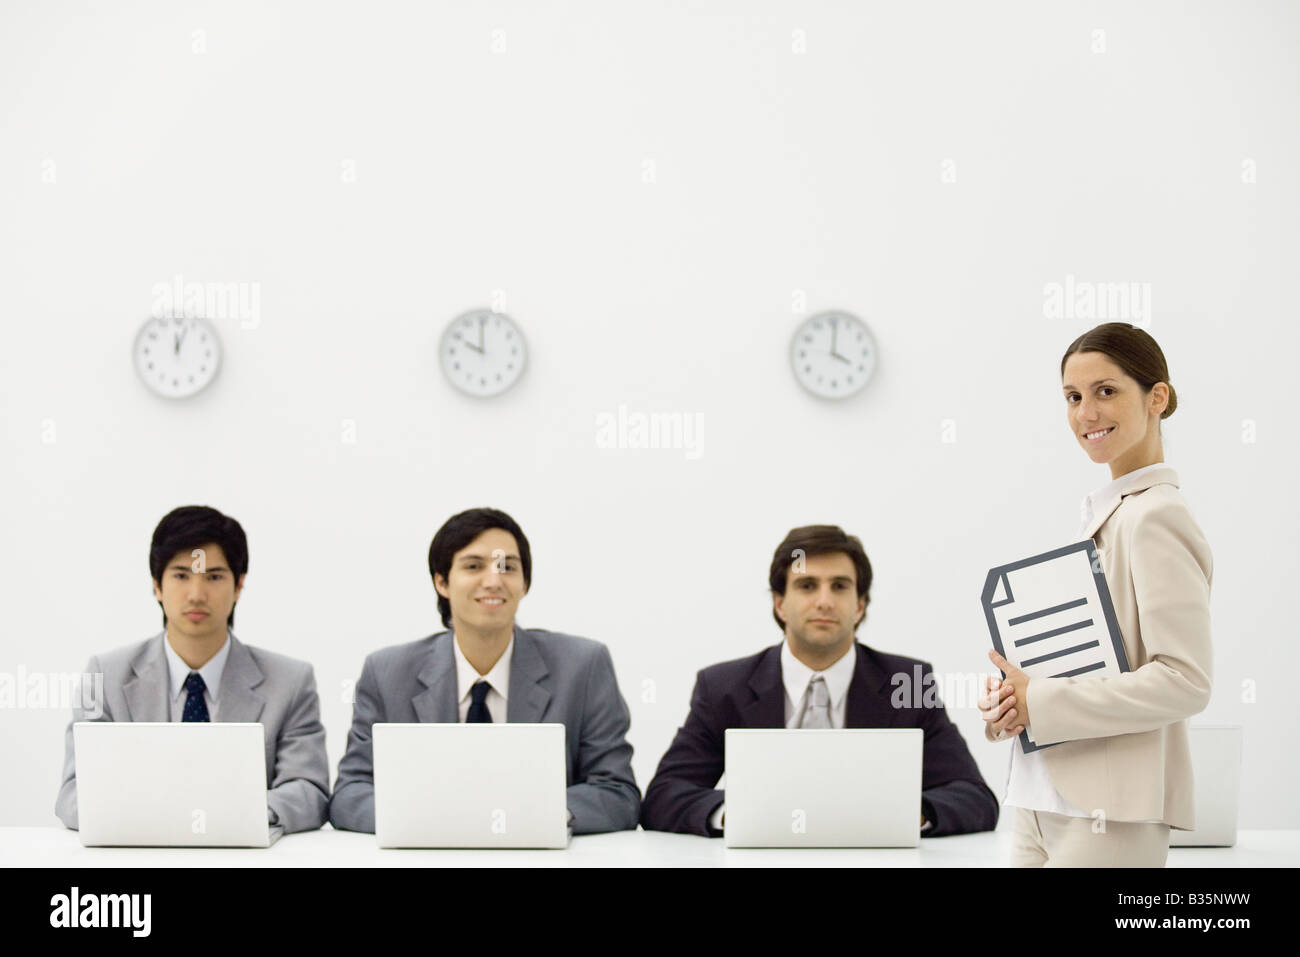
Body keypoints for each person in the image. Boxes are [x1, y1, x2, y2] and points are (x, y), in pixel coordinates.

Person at [979, 322, 1213, 867]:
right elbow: (1096, 665)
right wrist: (1015, 701)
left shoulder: (1158, 516)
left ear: (1157, 397)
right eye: (1073, 397)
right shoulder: (1113, 511)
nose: (1086, 414)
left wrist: (1039, 700)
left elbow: (1184, 681)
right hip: (1038, 801)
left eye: (1106, 391)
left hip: (1107, 815)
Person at [641, 524, 999, 837]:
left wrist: (901, 814)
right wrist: (743, 814)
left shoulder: (907, 683)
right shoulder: (723, 688)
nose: (824, 601)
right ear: (780, 603)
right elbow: (663, 797)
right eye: (807, 585)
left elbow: (975, 799)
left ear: (860, 605)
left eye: (840, 586)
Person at [328, 507, 640, 834]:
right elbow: (350, 794)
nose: (493, 581)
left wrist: (537, 817)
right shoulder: (386, 672)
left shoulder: (583, 665)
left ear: (524, 584)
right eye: (474, 566)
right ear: (442, 582)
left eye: (508, 567)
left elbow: (618, 793)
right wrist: (435, 819)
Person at [55, 506, 330, 833]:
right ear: (157, 585)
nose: (197, 595)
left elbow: (310, 793)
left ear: (239, 585)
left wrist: (225, 816)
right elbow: (73, 794)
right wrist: (166, 816)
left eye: (214, 577)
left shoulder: (290, 681)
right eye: (181, 575)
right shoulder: (105, 676)